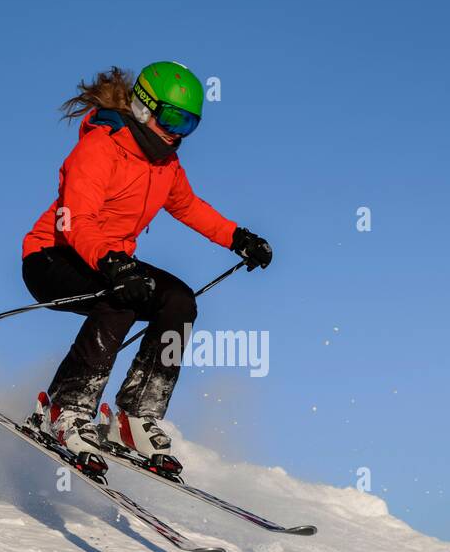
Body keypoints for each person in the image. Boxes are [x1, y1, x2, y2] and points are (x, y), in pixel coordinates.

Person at [21, 61, 273, 474]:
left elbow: (187, 206)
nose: (178, 132)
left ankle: (135, 415)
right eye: (173, 118)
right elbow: (76, 219)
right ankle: (66, 408)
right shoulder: (100, 148)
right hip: (52, 257)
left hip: (113, 263)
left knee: (178, 301)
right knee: (120, 296)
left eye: (190, 124)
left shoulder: (165, 165)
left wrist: (237, 238)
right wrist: (113, 265)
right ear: (143, 107)